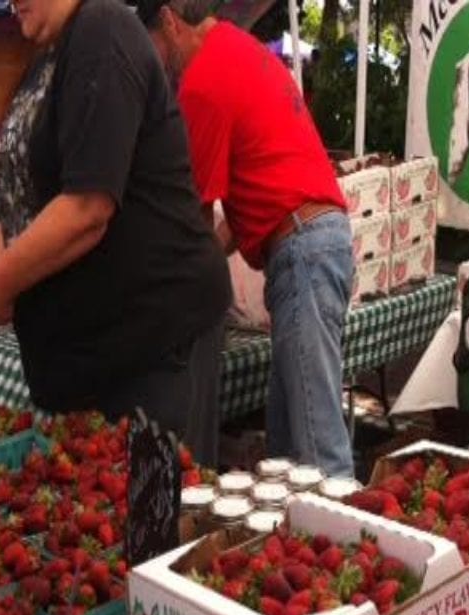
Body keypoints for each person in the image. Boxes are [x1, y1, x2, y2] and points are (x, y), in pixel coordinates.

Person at [0, 0, 231, 465]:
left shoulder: (103, 32)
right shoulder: (48, 57)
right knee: (109, 518)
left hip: (150, 346)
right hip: (89, 363)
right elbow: (23, 197)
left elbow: (88, 206)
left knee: (157, 525)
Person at [137, 0, 356, 478]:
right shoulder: (238, 46)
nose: (152, 64)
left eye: (150, 47)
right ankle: (294, 541)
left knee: (319, 448)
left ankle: (355, 546)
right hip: (315, 241)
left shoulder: (201, 84)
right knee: (286, 451)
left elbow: (189, 220)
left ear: (170, 24)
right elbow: (246, 199)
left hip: (302, 251)